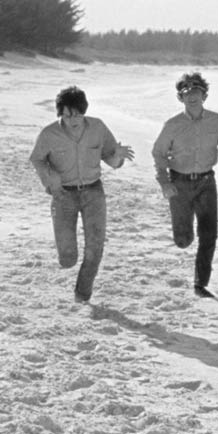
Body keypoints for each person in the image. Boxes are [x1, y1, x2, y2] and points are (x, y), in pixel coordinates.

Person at [30, 86, 134, 304]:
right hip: (63, 195)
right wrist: (49, 178)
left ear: (84, 111)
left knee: (95, 248)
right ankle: (69, 262)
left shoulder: (98, 128)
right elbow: (37, 159)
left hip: (93, 192)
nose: (73, 120)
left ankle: (82, 295)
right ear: (60, 113)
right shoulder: (49, 134)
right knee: (68, 258)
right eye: (67, 115)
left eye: (77, 114)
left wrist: (118, 156)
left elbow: (112, 160)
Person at [152, 72, 218, 298]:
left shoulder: (217, 121)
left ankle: (200, 284)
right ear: (180, 98)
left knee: (209, 234)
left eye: (196, 92)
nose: (192, 96)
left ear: (204, 95)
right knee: (183, 240)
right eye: (186, 93)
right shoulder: (172, 125)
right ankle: (183, 236)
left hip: (206, 182)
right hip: (179, 184)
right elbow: (158, 153)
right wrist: (164, 182)